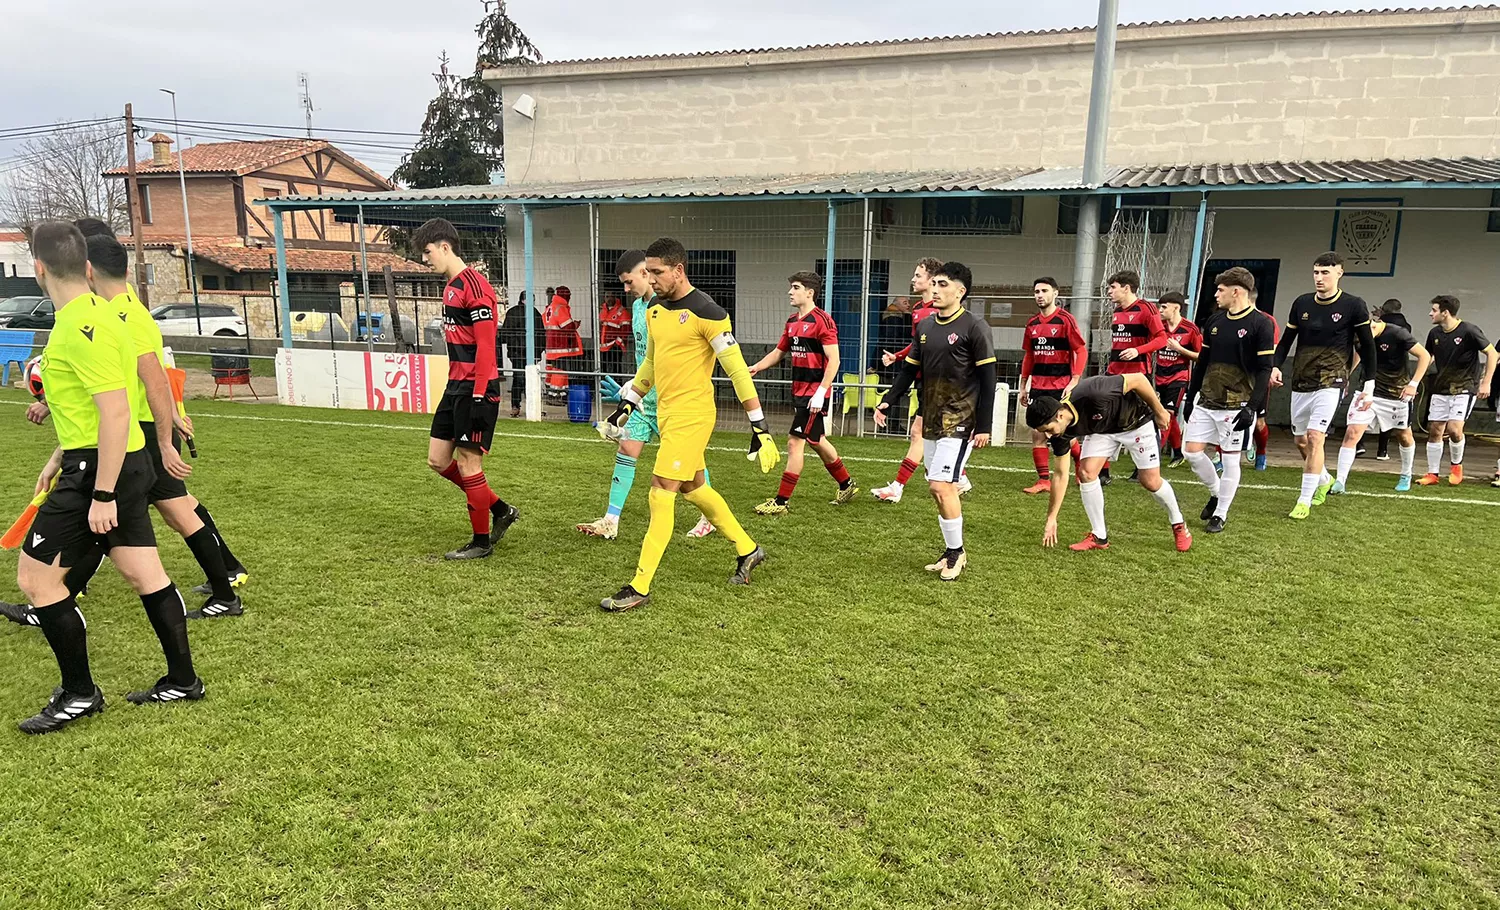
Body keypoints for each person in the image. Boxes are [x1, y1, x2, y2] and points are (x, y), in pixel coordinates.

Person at [12, 221, 204, 733]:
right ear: (88, 266)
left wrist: (100, 492)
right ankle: (182, 679)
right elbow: (100, 404)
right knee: (146, 575)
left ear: (39, 268)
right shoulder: (103, 312)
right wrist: (58, 454)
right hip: (114, 460)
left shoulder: (80, 325)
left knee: (36, 580)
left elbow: (115, 413)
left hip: (101, 468)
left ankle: (80, 693)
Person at [599, 237, 775, 612]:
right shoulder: (654, 311)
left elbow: (737, 370)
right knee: (694, 488)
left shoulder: (709, 312)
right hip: (665, 412)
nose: (651, 279)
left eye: (657, 272)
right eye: (647, 272)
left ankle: (639, 585)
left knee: (660, 490)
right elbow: (651, 363)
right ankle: (749, 550)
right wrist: (628, 402)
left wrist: (759, 425)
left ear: (678, 270)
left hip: (693, 416)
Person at [576, 250, 714, 541]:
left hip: (674, 402)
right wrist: (631, 390)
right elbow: (647, 358)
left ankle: (709, 517)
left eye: (629, 282)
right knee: (626, 450)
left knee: (692, 463)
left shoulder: (675, 307)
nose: (626, 289)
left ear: (645, 273)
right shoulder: (640, 307)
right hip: (644, 401)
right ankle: (610, 520)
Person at [874, 261, 995, 580]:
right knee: (939, 488)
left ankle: (957, 553)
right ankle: (951, 551)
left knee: (941, 485)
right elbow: (908, 370)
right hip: (930, 417)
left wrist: (984, 425)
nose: (936, 289)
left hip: (961, 420)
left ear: (960, 291)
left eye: (943, 284)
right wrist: (888, 400)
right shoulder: (925, 327)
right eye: (935, 283)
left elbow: (988, 379)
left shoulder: (974, 327)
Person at [415, 218, 519, 560]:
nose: (426, 259)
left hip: (478, 387)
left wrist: (479, 393)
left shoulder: (476, 287)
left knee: (469, 465)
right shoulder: (450, 287)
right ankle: (500, 508)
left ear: (445, 247)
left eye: (428, 252)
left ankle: (481, 542)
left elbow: (488, 346)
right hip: (455, 385)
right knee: (437, 459)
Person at [1027, 374, 1192, 553]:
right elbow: (1060, 474)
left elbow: (1138, 380)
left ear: (1059, 415)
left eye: (1049, 430)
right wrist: (1052, 517)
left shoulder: (1094, 393)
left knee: (1150, 481)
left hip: (1136, 422)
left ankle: (1178, 523)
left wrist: (1160, 411)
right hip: (1103, 431)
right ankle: (1099, 536)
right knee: (1086, 473)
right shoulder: (1060, 433)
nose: (1049, 436)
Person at [1270, 251, 1377, 519]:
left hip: (1332, 380)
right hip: (1301, 379)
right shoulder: (1302, 303)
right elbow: (1286, 340)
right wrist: (1275, 365)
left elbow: (1367, 345)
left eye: (1325, 272)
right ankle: (1324, 478)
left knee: (1316, 437)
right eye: (1316, 272)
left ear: (1339, 273)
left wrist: (1369, 383)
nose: (1319, 277)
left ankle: (1303, 501)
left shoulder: (1354, 305)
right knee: (1301, 441)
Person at [1178, 268, 1277, 533]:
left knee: (1231, 460)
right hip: (1206, 401)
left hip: (1237, 405)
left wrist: (1253, 408)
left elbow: (1265, 369)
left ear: (1236, 291)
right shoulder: (1214, 321)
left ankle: (1220, 514)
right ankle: (1216, 492)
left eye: (1220, 290)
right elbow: (1203, 362)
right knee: (1191, 452)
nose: (1216, 294)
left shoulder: (1261, 323)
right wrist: (1191, 395)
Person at [751, 271, 857, 513]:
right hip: (800, 391)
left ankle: (781, 502)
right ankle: (847, 484)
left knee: (794, 443)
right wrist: (756, 367)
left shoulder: (823, 321)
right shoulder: (792, 322)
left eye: (796, 287)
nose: (790, 292)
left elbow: (835, 360)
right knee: (816, 441)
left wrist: (821, 392)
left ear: (810, 293)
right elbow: (779, 352)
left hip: (814, 394)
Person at [873, 257, 968, 501]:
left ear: (932, 280)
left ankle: (897, 487)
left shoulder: (945, 311)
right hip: (922, 379)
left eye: (918, 276)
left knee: (920, 433)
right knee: (931, 435)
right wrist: (898, 356)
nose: (913, 280)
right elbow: (918, 346)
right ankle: (959, 478)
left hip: (943, 384)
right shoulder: (917, 311)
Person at [1329, 309, 1429, 492]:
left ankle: (1406, 474)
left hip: (1396, 394)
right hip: (1367, 391)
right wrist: (1346, 378)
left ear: (1373, 324)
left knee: (1404, 436)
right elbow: (1359, 354)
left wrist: (1413, 384)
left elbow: (1425, 356)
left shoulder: (1397, 333)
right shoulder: (1358, 335)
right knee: (1352, 433)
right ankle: (1340, 481)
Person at [1417, 295, 1496, 486]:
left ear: (1445, 313)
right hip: (1441, 388)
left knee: (1454, 429)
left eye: (1434, 310)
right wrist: (1415, 381)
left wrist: (1486, 382)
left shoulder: (1469, 330)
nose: (1430, 314)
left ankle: (1456, 467)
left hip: (1464, 387)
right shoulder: (1434, 333)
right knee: (1435, 430)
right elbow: (1429, 357)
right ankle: (1432, 474)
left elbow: (1492, 353)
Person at [1018, 276, 1087, 495]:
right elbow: (1029, 355)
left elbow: (1081, 350)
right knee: (1038, 433)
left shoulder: (1065, 320)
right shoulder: (1032, 324)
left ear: (1055, 293)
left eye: (1044, 291)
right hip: (1038, 386)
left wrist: (1075, 379)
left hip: (1060, 386)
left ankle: (1080, 464)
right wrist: (1023, 385)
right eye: (1036, 291)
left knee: (1063, 434)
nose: (1040, 295)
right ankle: (1043, 480)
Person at [1102, 270, 1168, 485]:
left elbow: (1161, 339)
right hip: (1114, 373)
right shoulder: (1117, 311)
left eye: (1113, 287)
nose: (1109, 291)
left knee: (1143, 420)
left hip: (1138, 375)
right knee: (1106, 416)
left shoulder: (1146, 308)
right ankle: (1103, 471)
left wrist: (1138, 350)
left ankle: (1145, 468)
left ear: (1126, 288)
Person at [1154, 290, 1202, 469]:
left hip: (1179, 377)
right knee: (1170, 417)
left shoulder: (1190, 329)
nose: (1160, 310)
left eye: (1164, 307)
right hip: (1159, 377)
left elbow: (1200, 356)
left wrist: (1179, 349)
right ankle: (1178, 452)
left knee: (1166, 414)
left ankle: (1153, 457)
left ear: (1176, 308)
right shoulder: (1159, 327)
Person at [1370, 299, 1410, 460]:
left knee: (1364, 412)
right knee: (1387, 418)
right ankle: (1382, 450)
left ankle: (1359, 445)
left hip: (1377, 370)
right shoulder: (1405, 326)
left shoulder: (1382, 325)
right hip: (1397, 375)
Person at [501, 291, 544, 418]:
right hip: (522, 352)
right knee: (524, 379)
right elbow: (541, 334)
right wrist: (538, 351)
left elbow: (505, 334)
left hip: (520, 352)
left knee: (521, 378)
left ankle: (520, 406)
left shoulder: (517, 313)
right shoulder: (530, 313)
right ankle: (522, 406)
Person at [543, 286, 583, 397]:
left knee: (552, 370)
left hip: (551, 346)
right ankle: (557, 395)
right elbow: (568, 326)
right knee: (560, 371)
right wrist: (575, 324)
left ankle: (551, 392)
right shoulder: (560, 308)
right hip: (561, 346)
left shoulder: (550, 307)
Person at [599, 293, 632, 380]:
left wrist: (618, 342)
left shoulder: (621, 311)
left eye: (611, 296)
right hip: (604, 346)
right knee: (604, 370)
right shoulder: (603, 310)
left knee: (616, 370)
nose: (609, 299)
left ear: (615, 297)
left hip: (615, 346)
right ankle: (604, 391)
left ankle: (617, 390)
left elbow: (626, 329)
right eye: (607, 296)